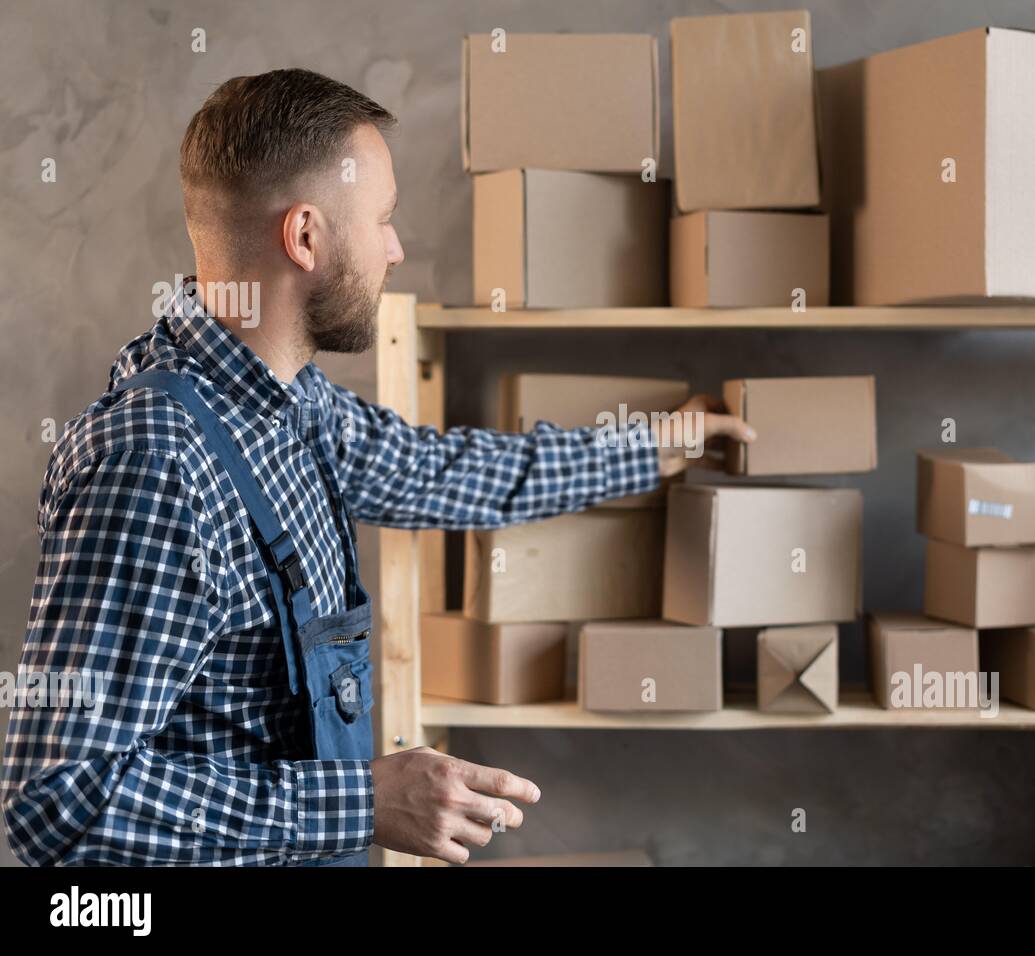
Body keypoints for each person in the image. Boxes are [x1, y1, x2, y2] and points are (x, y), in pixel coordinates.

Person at [0, 68, 754, 866]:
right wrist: (363, 801)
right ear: (306, 237)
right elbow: (61, 803)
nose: (397, 248)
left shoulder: (290, 405)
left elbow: (445, 472)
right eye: (384, 220)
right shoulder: (154, 460)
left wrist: (655, 445)